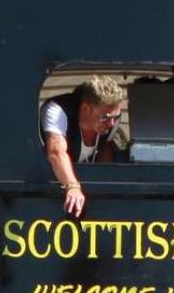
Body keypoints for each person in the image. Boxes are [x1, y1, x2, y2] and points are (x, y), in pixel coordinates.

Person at [41, 77, 129, 217]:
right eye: (105, 117)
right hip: (46, 188)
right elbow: (56, 151)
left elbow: (106, 149)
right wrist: (72, 187)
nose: (112, 124)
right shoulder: (58, 111)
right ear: (85, 108)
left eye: (116, 117)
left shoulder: (112, 121)